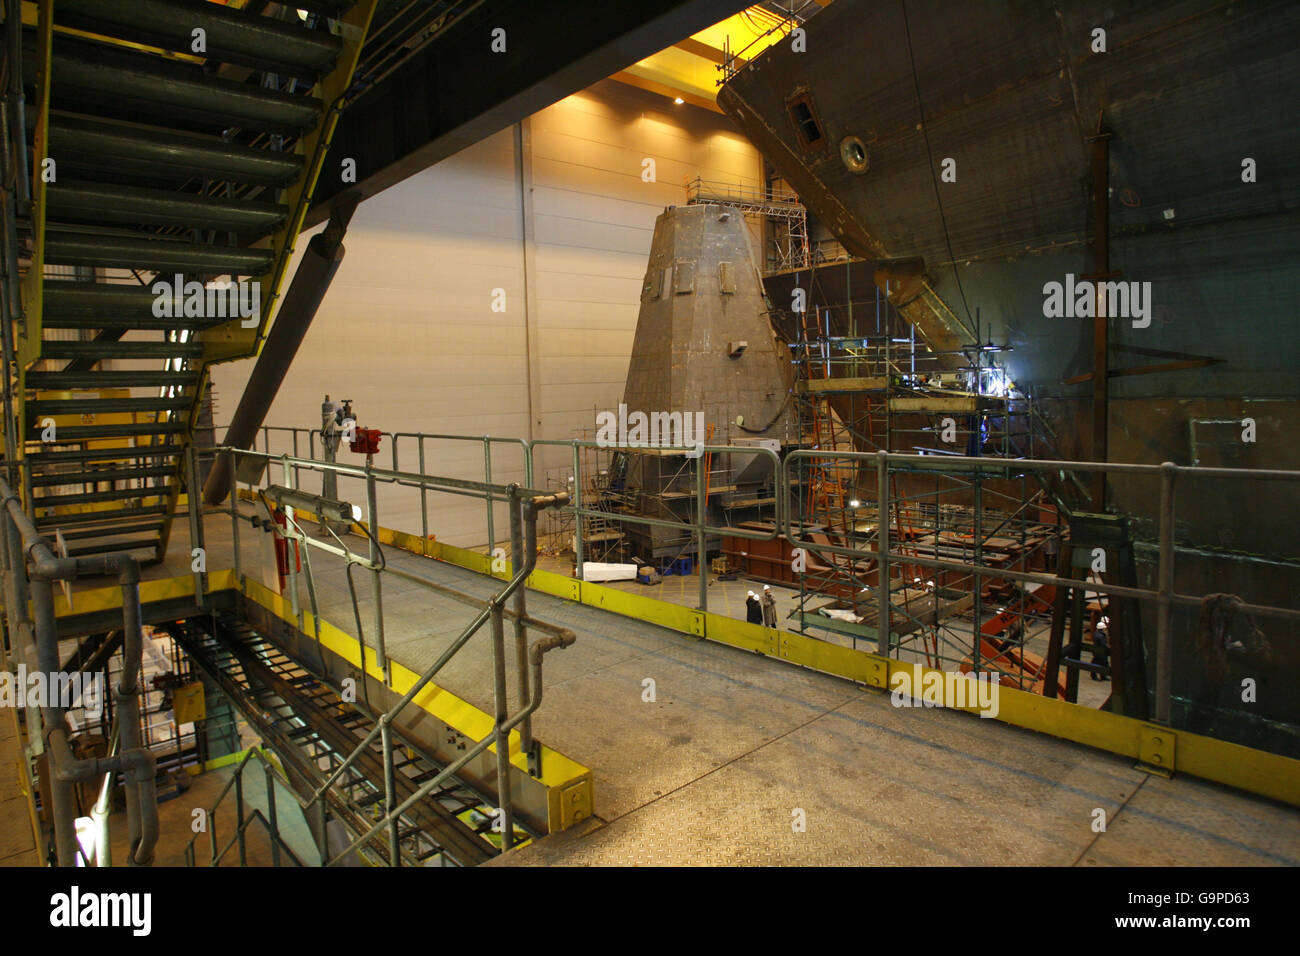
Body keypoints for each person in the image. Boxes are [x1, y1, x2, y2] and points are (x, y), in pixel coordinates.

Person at [1091, 616, 1110, 681]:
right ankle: (1099, 676)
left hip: (1097, 651)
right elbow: (1104, 644)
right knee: (1102, 664)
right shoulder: (1101, 636)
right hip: (1100, 652)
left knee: (1099, 663)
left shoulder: (1096, 634)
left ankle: (1102, 676)